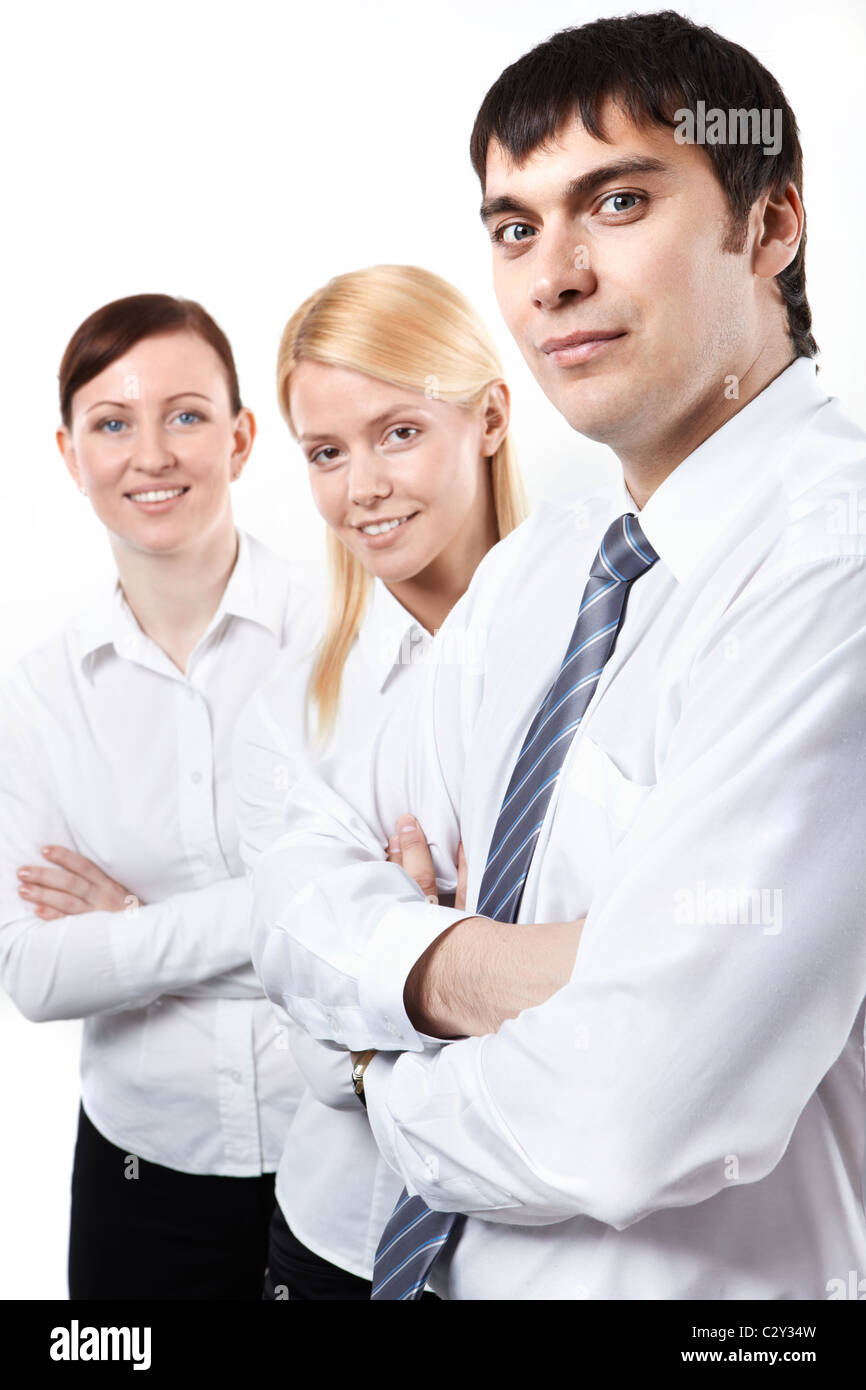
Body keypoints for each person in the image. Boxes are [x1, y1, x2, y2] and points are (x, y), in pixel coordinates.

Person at [249, 12, 866, 1299]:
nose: (551, 276)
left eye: (618, 199)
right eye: (515, 226)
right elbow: (294, 873)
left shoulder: (834, 568)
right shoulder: (550, 561)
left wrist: (377, 1063)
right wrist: (473, 966)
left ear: (769, 226)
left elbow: (629, 1102)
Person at [0, 293, 321, 1299]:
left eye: (185, 414)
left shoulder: (341, 629)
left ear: (240, 436)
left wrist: (133, 930)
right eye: (111, 422)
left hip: (344, 1155)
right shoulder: (38, 691)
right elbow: (37, 975)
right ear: (67, 451)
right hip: (139, 1174)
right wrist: (281, 923)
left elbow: (397, 921)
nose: (152, 454)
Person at [232, 263, 528, 1298]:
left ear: (489, 416)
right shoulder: (291, 697)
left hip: (528, 1254)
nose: (359, 486)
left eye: (397, 431)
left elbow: (637, 987)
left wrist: (391, 959)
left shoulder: (593, 646)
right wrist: (480, 968)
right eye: (325, 452)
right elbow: (304, 1025)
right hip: (333, 1243)